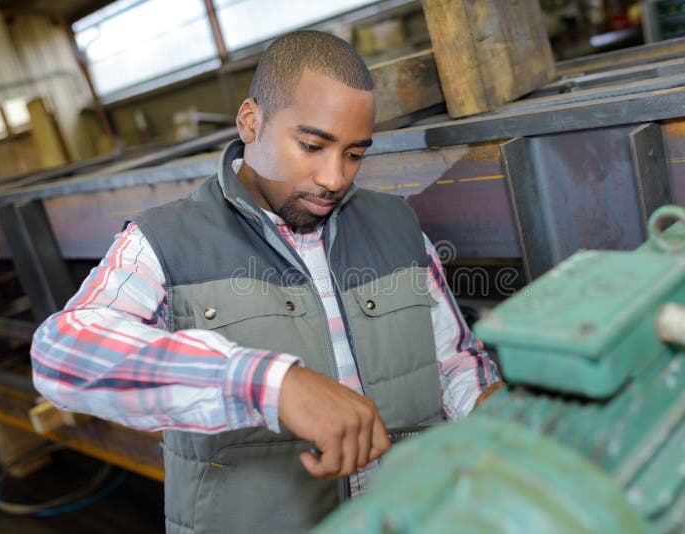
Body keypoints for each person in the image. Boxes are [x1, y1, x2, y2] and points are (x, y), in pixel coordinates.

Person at [30, 30, 501, 533]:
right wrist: (270, 385)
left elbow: (452, 359)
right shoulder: (165, 240)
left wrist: (494, 412)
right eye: (312, 145)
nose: (334, 178)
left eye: (354, 153)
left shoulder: (398, 226)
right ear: (252, 121)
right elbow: (63, 353)